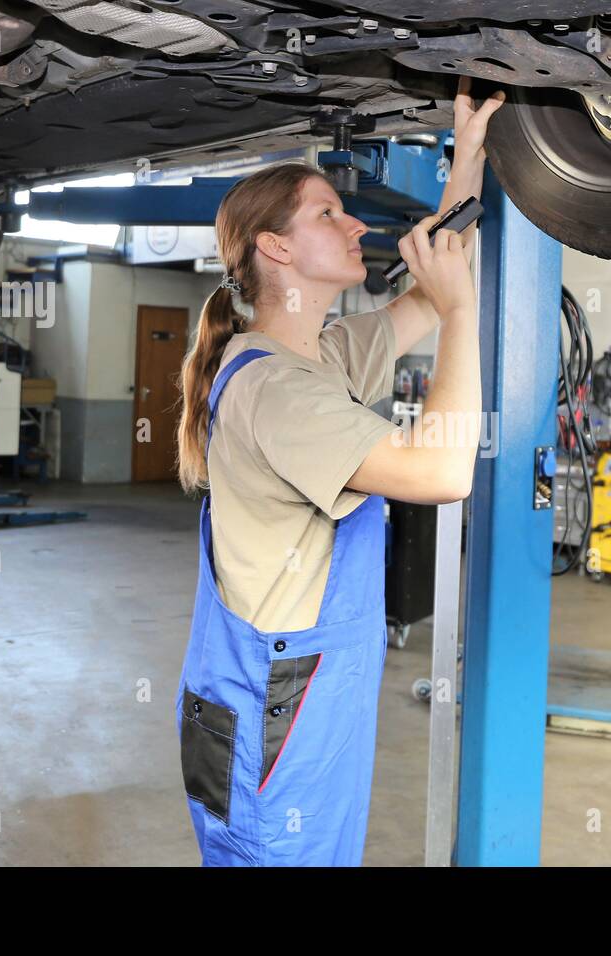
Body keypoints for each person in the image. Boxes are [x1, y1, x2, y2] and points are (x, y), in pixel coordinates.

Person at [172, 79, 506, 866]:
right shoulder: (274, 388)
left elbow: (428, 288)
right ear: (276, 249)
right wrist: (464, 316)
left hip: (313, 689)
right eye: (329, 213)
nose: (357, 221)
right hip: (278, 708)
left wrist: (467, 163)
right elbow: (442, 472)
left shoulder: (324, 353)